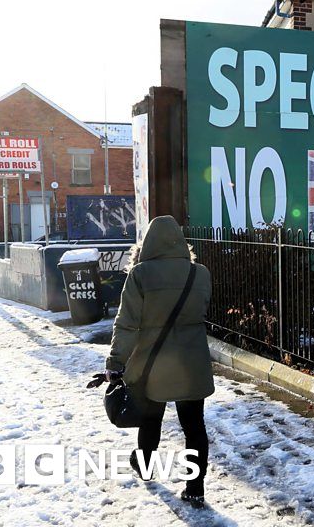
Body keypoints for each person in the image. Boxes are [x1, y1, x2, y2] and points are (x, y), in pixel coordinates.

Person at [105, 215, 214, 508]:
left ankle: (145, 466)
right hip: (192, 361)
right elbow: (202, 308)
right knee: (194, 426)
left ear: (149, 243)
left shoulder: (140, 275)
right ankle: (195, 488)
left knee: (150, 418)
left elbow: (126, 324)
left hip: (153, 363)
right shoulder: (199, 274)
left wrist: (115, 361)